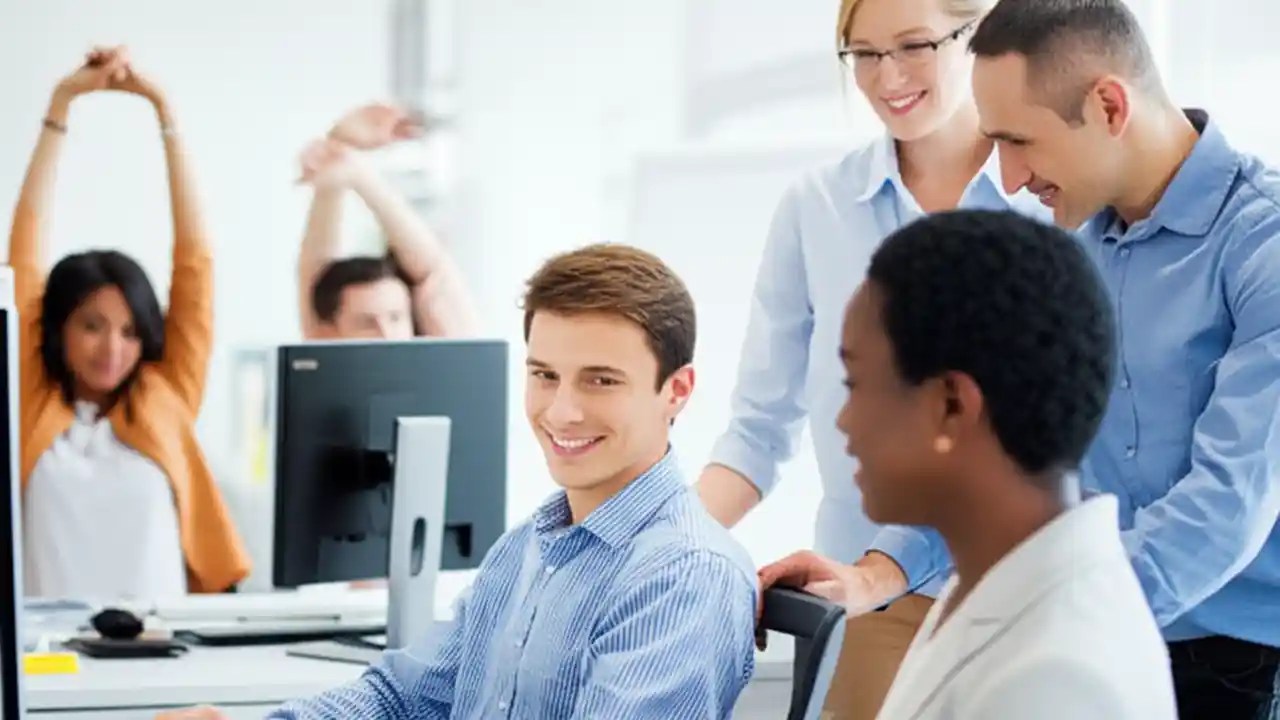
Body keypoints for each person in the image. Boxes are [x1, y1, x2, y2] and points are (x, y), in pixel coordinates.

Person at [764, 1, 1280, 717]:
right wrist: (872, 576)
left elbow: (1226, 506)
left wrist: (1040, 612)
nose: (1007, 180)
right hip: (1089, 631)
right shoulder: (1067, 250)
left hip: (1239, 675)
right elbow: (997, 455)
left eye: (1018, 141)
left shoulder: (1264, 252)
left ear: (1108, 105)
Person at [156, 244, 758, 719]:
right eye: (545, 375)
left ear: (675, 391)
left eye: (600, 380)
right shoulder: (528, 548)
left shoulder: (684, 576)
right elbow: (404, 699)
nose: (561, 411)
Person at [694, 0, 1045, 715]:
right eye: (863, 54)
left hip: (1018, 594)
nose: (888, 78)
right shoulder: (817, 208)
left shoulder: (1046, 196)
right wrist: (658, 545)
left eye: (914, 46)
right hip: (868, 595)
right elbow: (758, 430)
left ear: (975, 33)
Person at [779, 208, 1175, 718]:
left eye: (856, 385)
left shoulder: (1055, 679)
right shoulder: (994, 581)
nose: (843, 423)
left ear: (951, 406)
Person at [8, 47, 249, 598]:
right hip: (52, 664)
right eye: (92, 325)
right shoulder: (33, 401)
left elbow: (196, 263)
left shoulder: (166, 396)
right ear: (58, 328)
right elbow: (21, 256)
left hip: (161, 657)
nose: (112, 347)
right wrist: (60, 105)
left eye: (130, 331)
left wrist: (165, 114)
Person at [296, 103, 477, 340]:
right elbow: (314, 276)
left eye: (395, 317)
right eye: (366, 323)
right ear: (328, 332)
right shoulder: (324, 358)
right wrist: (335, 167)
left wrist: (360, 176)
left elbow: (434, 271)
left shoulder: (446, 366)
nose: (386, 334)